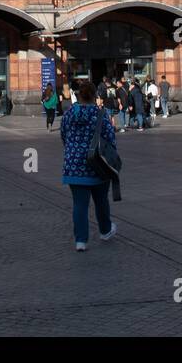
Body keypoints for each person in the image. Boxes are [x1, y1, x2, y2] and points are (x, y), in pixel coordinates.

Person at [60, 80, 117, 252]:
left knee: (79, 204)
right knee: (101, 201)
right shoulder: (100, 114)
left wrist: (72, 150)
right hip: (97, 164)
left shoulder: (69, 114)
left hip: (73, 164)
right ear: (94, 96)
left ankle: (81, 241)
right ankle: (105, 230)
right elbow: (110, 137)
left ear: (79, 95)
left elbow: (63, 135)